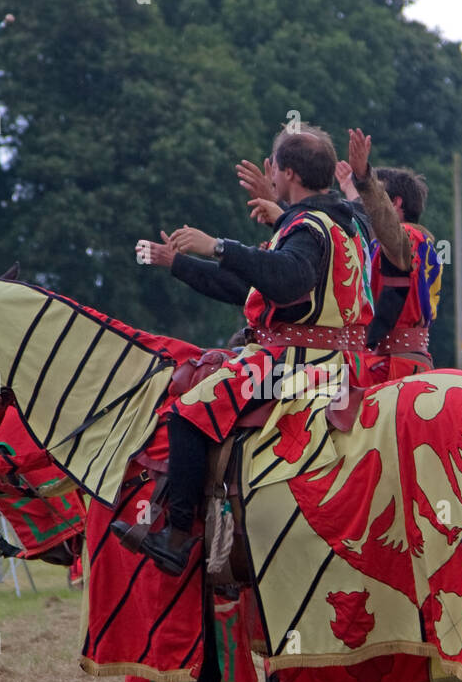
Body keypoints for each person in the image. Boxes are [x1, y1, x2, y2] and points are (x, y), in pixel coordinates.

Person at [128, 125, 371, 575]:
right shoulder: (348, 223)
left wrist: (218, 246)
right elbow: (249, 285)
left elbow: (289, 277)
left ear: (289, 172)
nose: (271, 175)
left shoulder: (306, 227)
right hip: (344, 364)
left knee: (187, 413)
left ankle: (178, 535)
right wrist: (178, 263)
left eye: (274, 167)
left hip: (298, 367)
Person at [345, 128, 443, 382]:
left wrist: (364, 179)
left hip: (394, 367)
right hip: (394, 359)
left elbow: (386, 230)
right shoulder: (416, 242)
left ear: (395, 204)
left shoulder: (408, 237)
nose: (366, 202)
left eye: (376, 194)